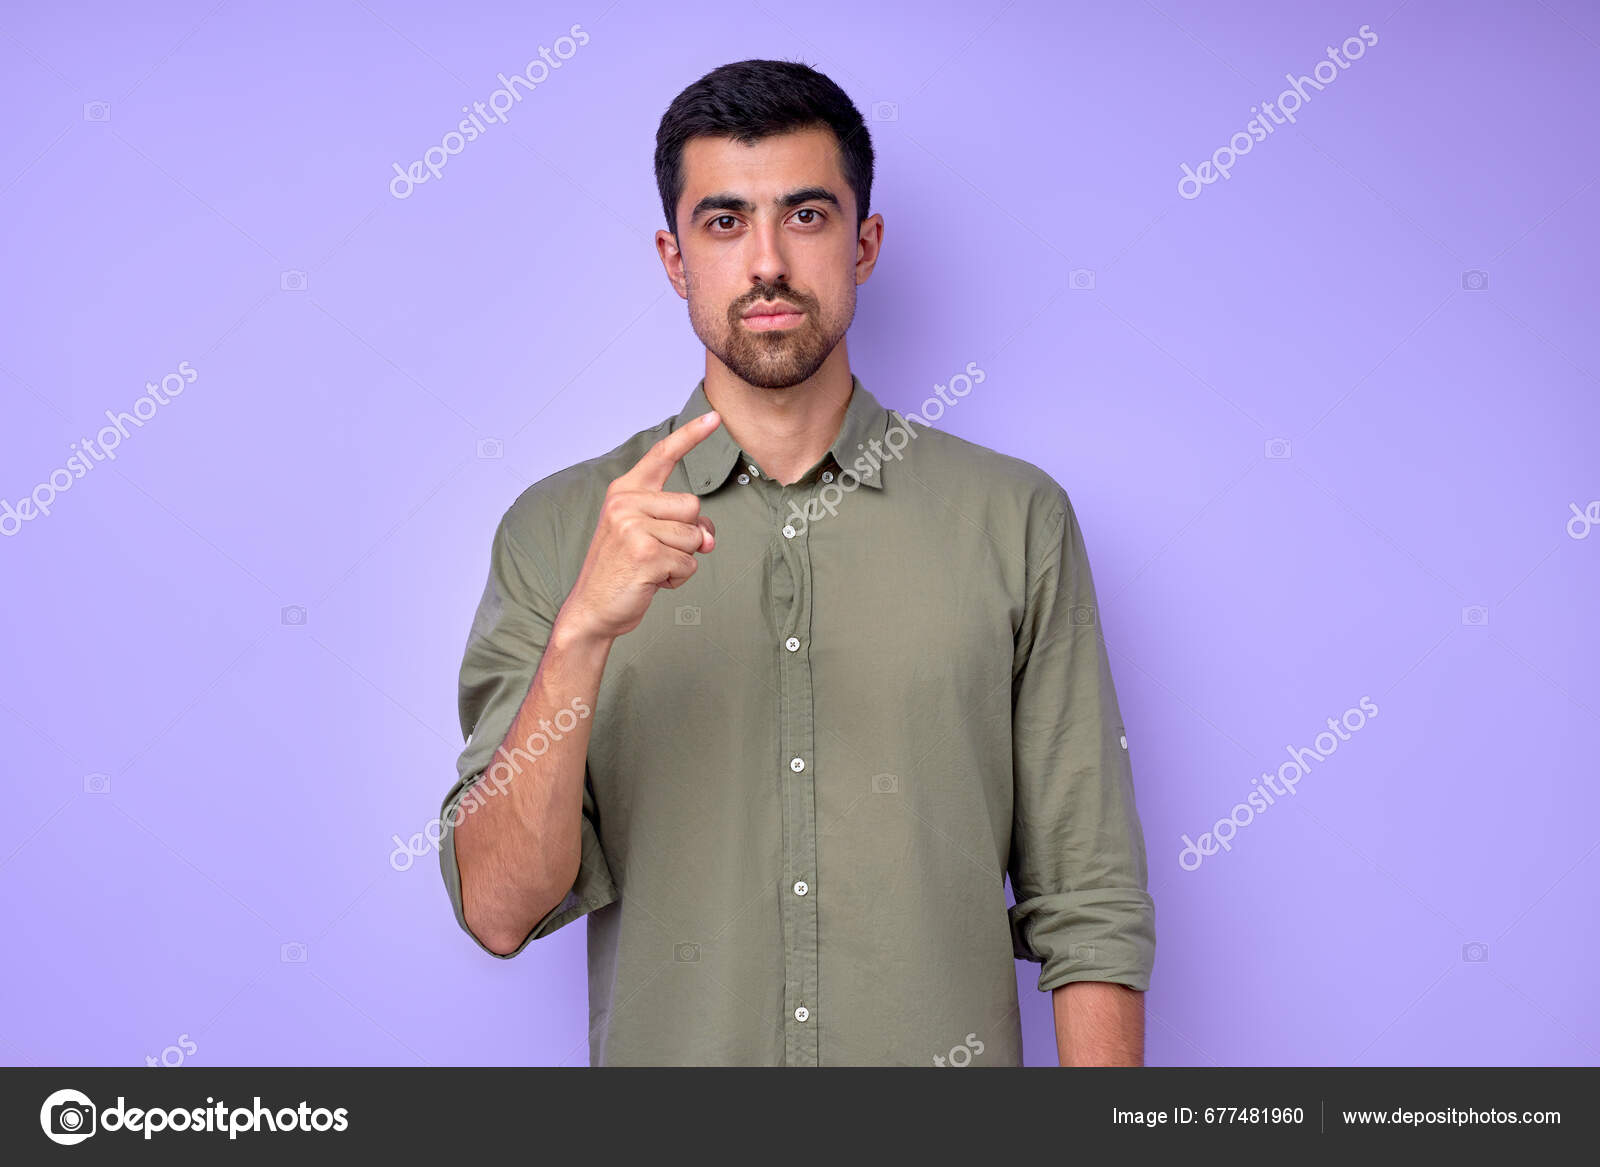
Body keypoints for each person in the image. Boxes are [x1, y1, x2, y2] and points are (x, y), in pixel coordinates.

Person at [438, 58, 1155, 1066]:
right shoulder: (560, 531)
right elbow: (501, 910)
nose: (766, 261)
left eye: (805, 216)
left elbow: (1088, 904)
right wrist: (584, 633)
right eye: (724, 222)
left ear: (863, 244)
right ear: (673, 257)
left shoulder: (1014, 519)